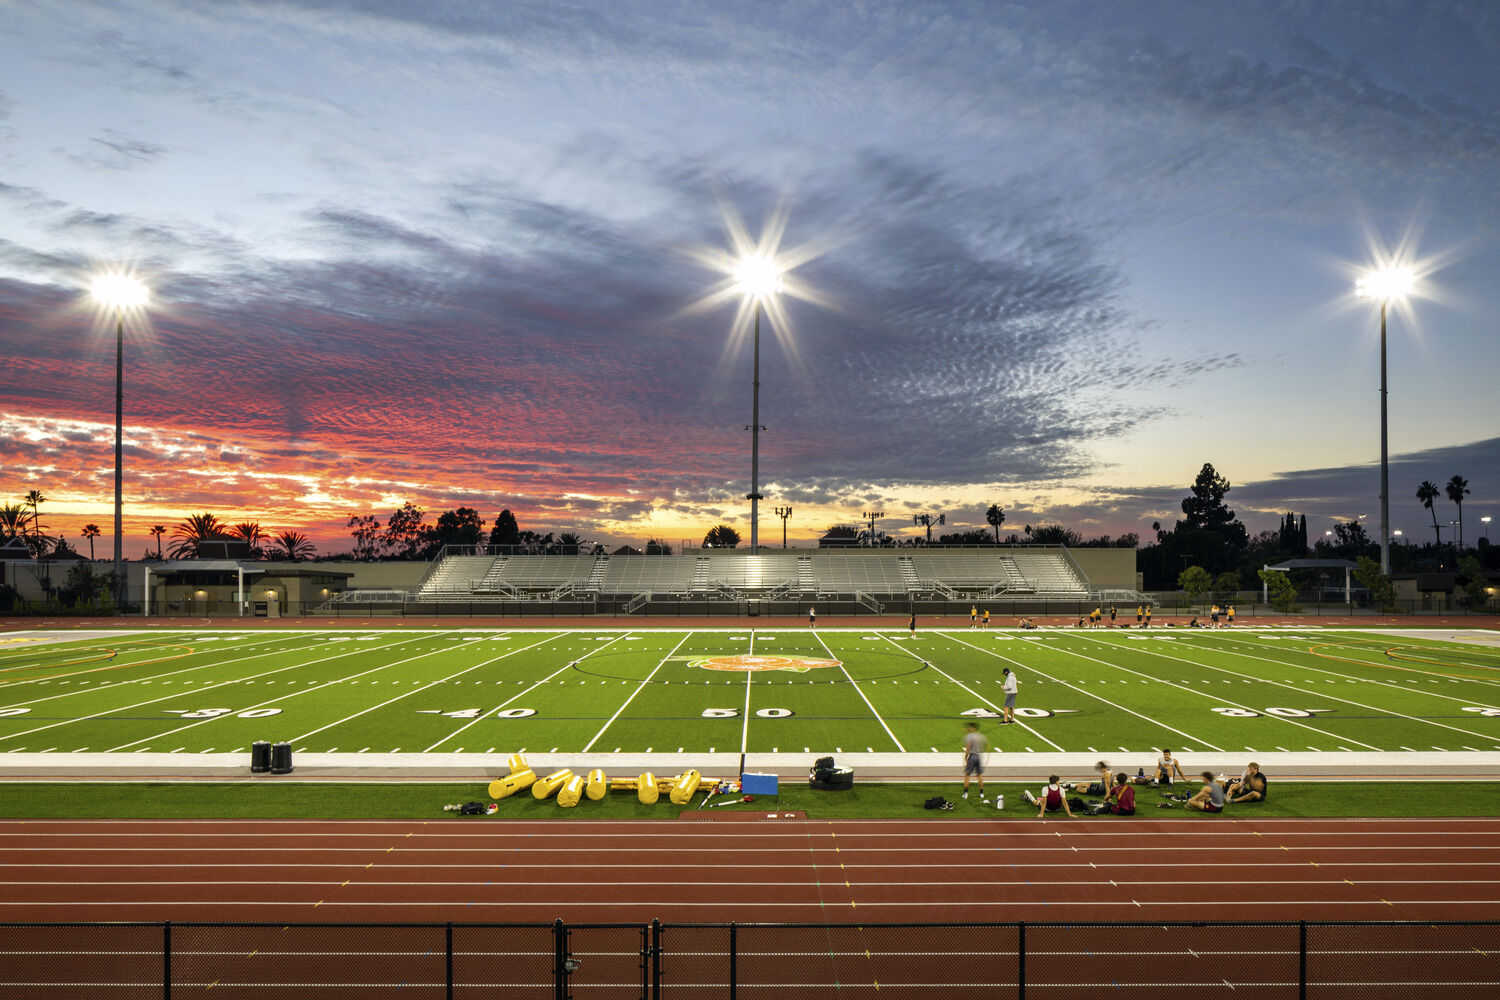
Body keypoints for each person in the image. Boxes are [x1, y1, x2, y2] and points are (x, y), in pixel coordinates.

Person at [960, 722, 988, 800]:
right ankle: (981, 793)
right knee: (979, 775)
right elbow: (985, 745)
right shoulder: (981, 736)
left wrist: (965, 757)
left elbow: (968, 747)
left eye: (970, 727)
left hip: (972, 756)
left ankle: (965, 793)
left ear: (973, 728)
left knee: (967, 775)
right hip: (979, 756)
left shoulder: (970, 736)